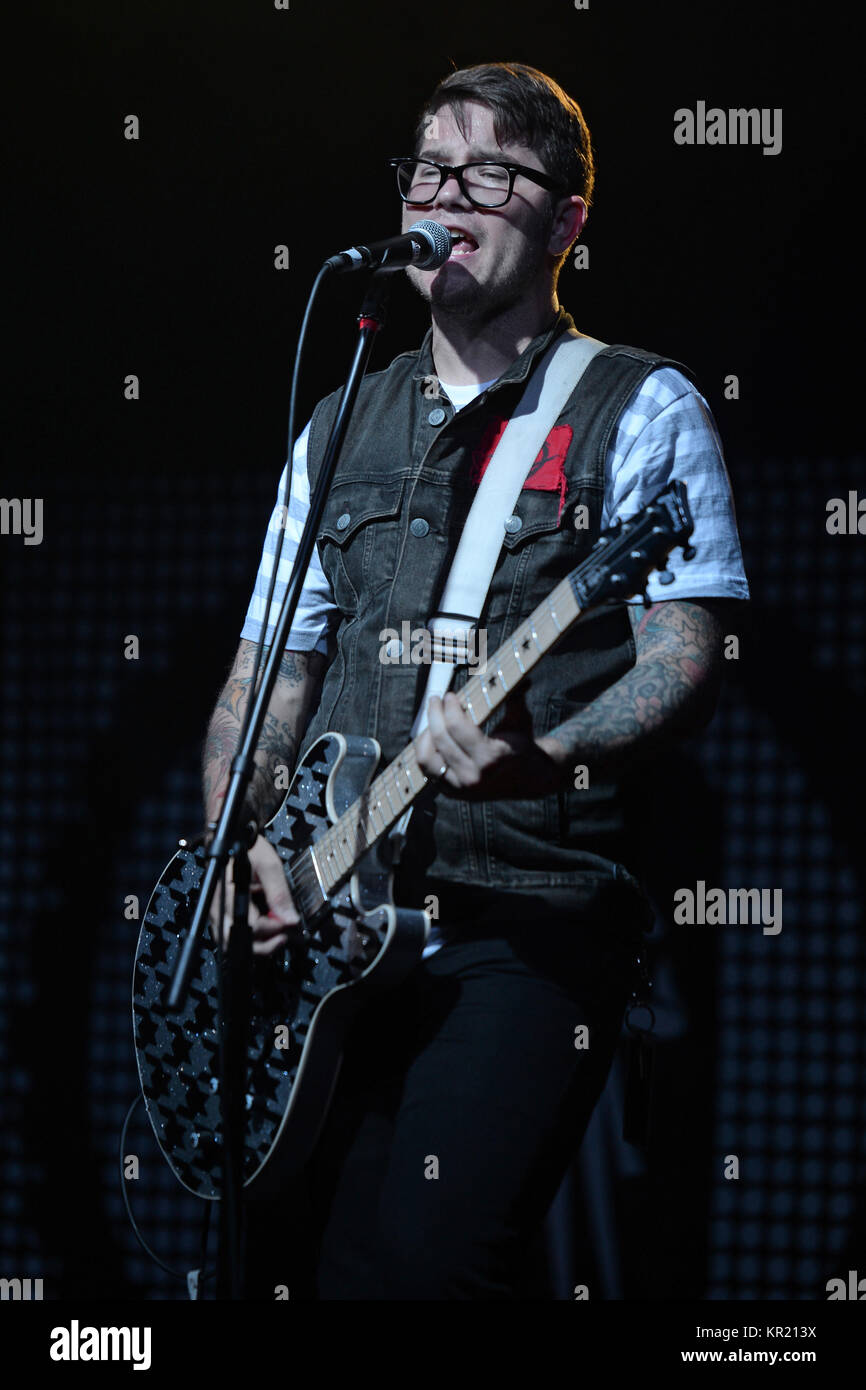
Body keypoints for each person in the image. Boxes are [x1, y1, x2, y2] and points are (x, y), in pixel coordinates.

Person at [201, 61, 750, 1300]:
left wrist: (543, 753)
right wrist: (238, 857)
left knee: (423, 1269)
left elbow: (683, 653)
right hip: (330, 932)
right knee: (293, 1268)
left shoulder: (637, 407)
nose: (443, 195)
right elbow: (270, 668)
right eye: (427, 168)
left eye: (487, 172)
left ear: (565, 221)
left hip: (523, 920)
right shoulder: (340, 421)